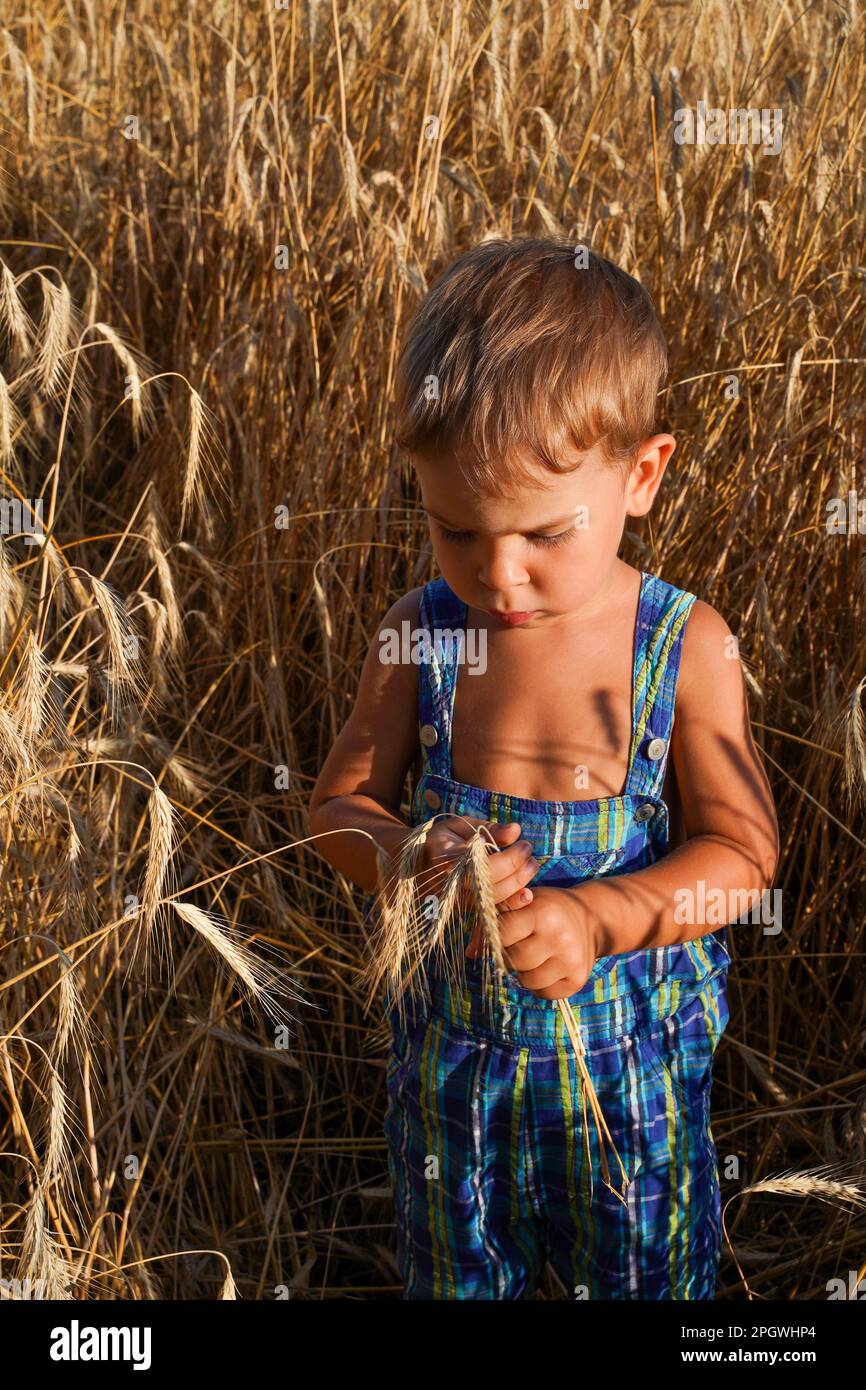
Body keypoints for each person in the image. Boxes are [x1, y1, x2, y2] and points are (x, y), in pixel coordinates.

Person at [308, 236, 779, 1300]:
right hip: (454, 1095)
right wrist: (409, 857)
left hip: (627, 1102)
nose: (497, 571)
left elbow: (742, 855)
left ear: (642, 474)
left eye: (539, 534)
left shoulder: (683, 648)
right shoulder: (420, 634)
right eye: (454, 529)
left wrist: (601, 920)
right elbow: (337, 807)